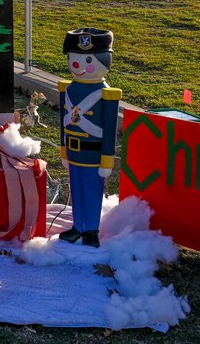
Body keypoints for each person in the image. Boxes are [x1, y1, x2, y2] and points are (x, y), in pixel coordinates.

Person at [57, 28, 120, 248]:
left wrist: (107, 160)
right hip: (74, 152)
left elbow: (110, 129)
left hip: (94, 154)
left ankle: (91, 230)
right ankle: (78, 226)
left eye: (88, 60)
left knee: (92, 191)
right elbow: (63, 122)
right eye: (75, 59)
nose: (79, 65)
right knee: (76, 189)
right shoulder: (67, 89)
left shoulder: (106, 94)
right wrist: (64, 150)